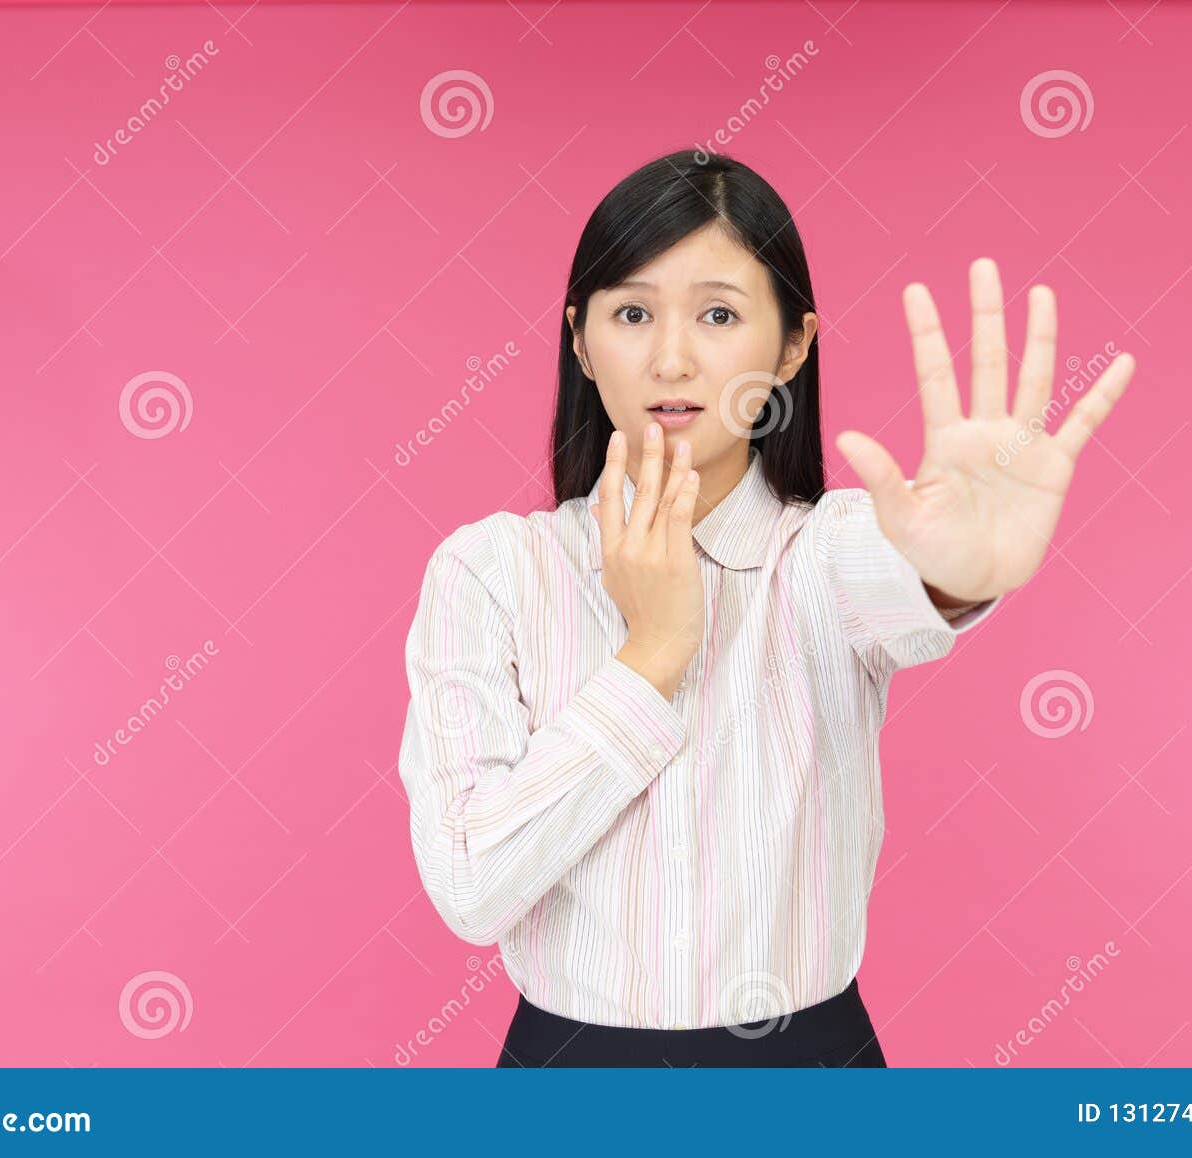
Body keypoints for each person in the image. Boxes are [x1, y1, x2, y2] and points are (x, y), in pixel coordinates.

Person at [396, 148, 1136, 1067]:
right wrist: (654, 649)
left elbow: (907, 578)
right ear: (582, 341)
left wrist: (962, 571)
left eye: (718, 314)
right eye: (632, 313)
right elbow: (472, 887)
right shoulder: (491, 571)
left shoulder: (824, 555)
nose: (672, 356)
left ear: (792, 345)